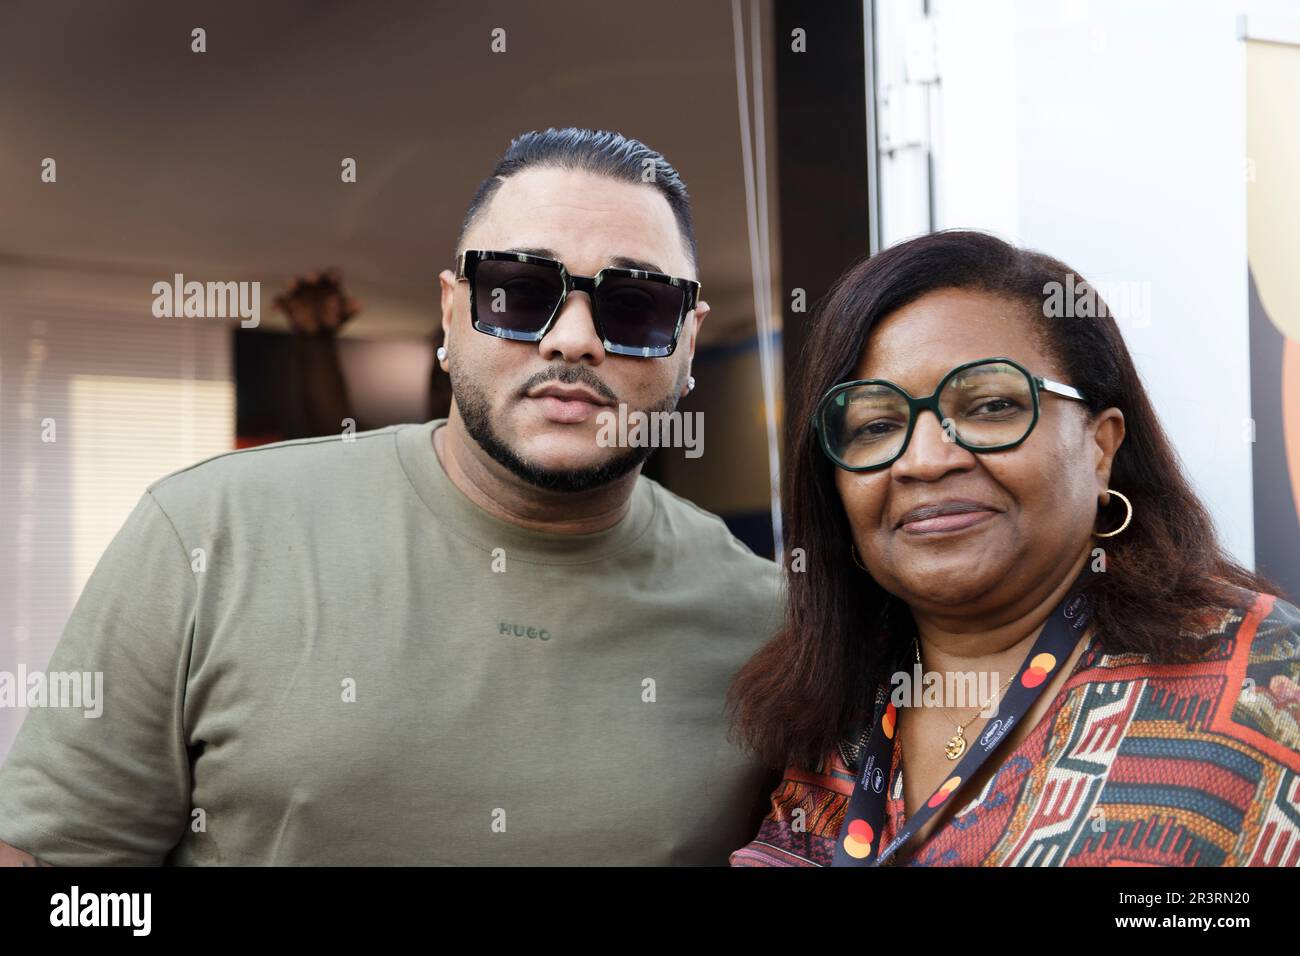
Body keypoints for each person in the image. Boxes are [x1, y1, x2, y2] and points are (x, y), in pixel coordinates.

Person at [0, 127, 783, 866]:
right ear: (451, 312)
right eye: (519, 290)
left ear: (687, 342)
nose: (573, 339)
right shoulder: (209, 535)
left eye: (634, 306)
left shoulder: (772, 625)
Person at [727, 230, 1300, 867]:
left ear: (1100, 446)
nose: (924, 460)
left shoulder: (1270, 676)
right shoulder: (827, 711)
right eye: (876, 425)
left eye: (992, 406)